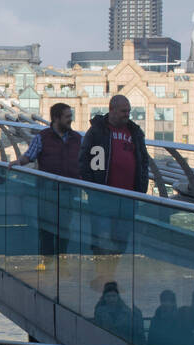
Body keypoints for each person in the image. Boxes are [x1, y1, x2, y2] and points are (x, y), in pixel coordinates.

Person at [78, 94, 150, 256]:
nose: (127, 114)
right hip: (103, 198)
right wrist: (93, 190)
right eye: (124, 111)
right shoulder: (97, 131)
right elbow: (83, 160)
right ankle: (101, 276)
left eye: (129, 111)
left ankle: (112, 275)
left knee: (121, 241)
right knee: (101, 239)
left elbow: (143, 161)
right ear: (112, 110)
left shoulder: (135, 133)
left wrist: (141, 191)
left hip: (128, 199)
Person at [18, 102, 82, 263]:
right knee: (46, 230)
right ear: (56, 118)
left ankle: (62, 262)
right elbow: (29, 156)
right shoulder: (42, 137)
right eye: (67, 117)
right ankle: (47, 263)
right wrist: (17, 163)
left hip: (69, 192)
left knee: (64, 230)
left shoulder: (77, 139)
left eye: (70, 116)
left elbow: (85, 163)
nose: (70, 120)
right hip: (47, 192)